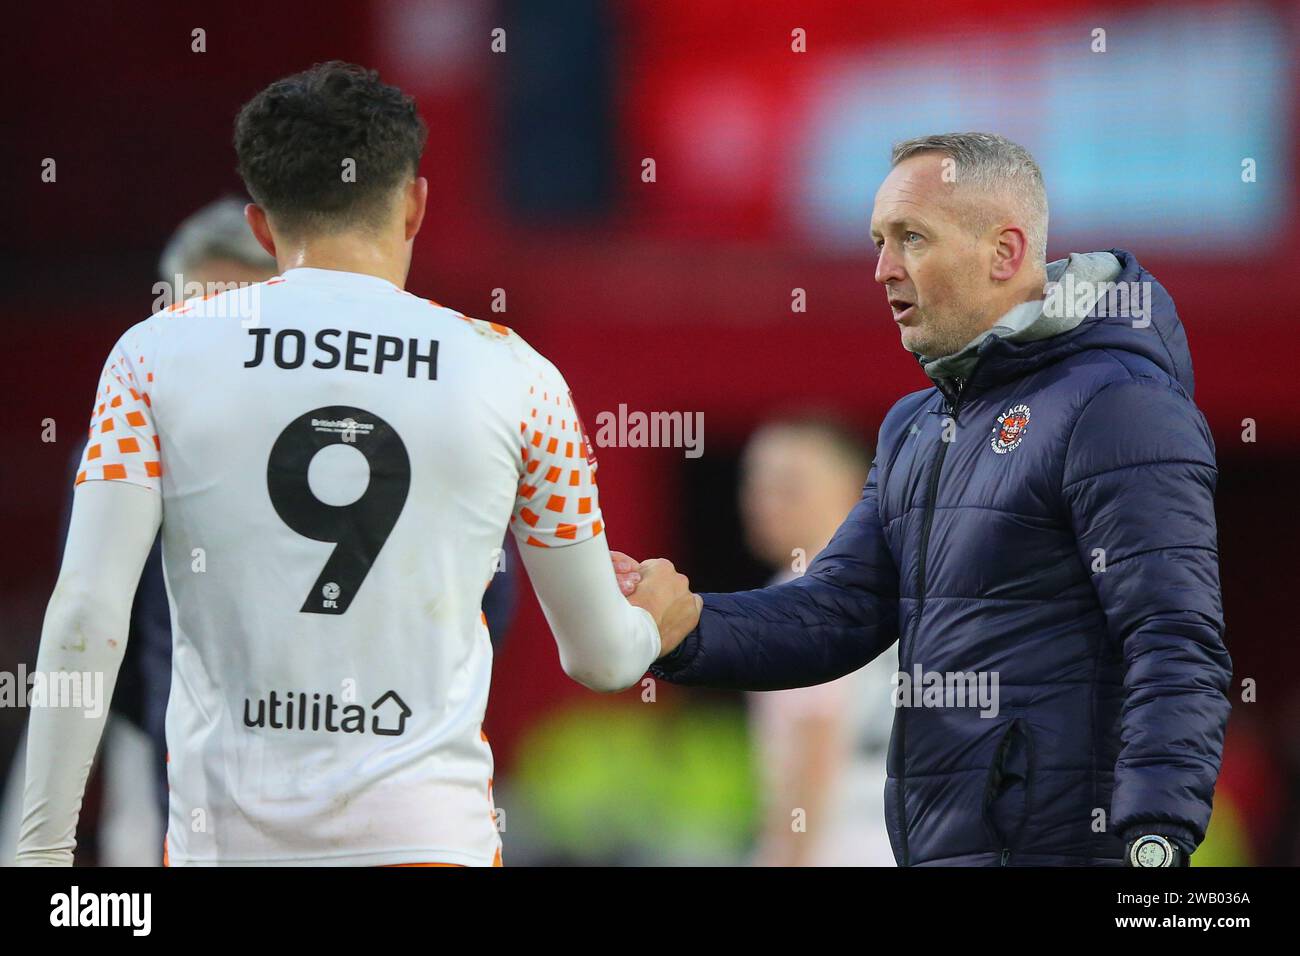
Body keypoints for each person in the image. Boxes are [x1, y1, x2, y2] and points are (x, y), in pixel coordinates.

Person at [16, 61, 686, 867]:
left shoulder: (152, 358)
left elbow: (86, 615)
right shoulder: (518, 375)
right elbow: (603, 657)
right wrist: (659, 616)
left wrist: (42, 851)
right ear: (415, 205)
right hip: (431, 846)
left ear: (262, 228)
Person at [620, 132, 1232, 867]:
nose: (882, 269)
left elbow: (1174, 638)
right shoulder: (916, 425)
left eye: (912, 237)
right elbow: (837, 611)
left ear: (1005, 253)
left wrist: (1155, 842)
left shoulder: (1120, 407)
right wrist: (686, 623)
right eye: (879, 241)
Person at [737, 416, 896, 866]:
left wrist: (786, 857)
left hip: (836, 842)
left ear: (850, 487)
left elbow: (815, 746)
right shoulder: (897, 582)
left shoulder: (801, 593)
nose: (764, 502)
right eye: (755, 483)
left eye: (789, 485)